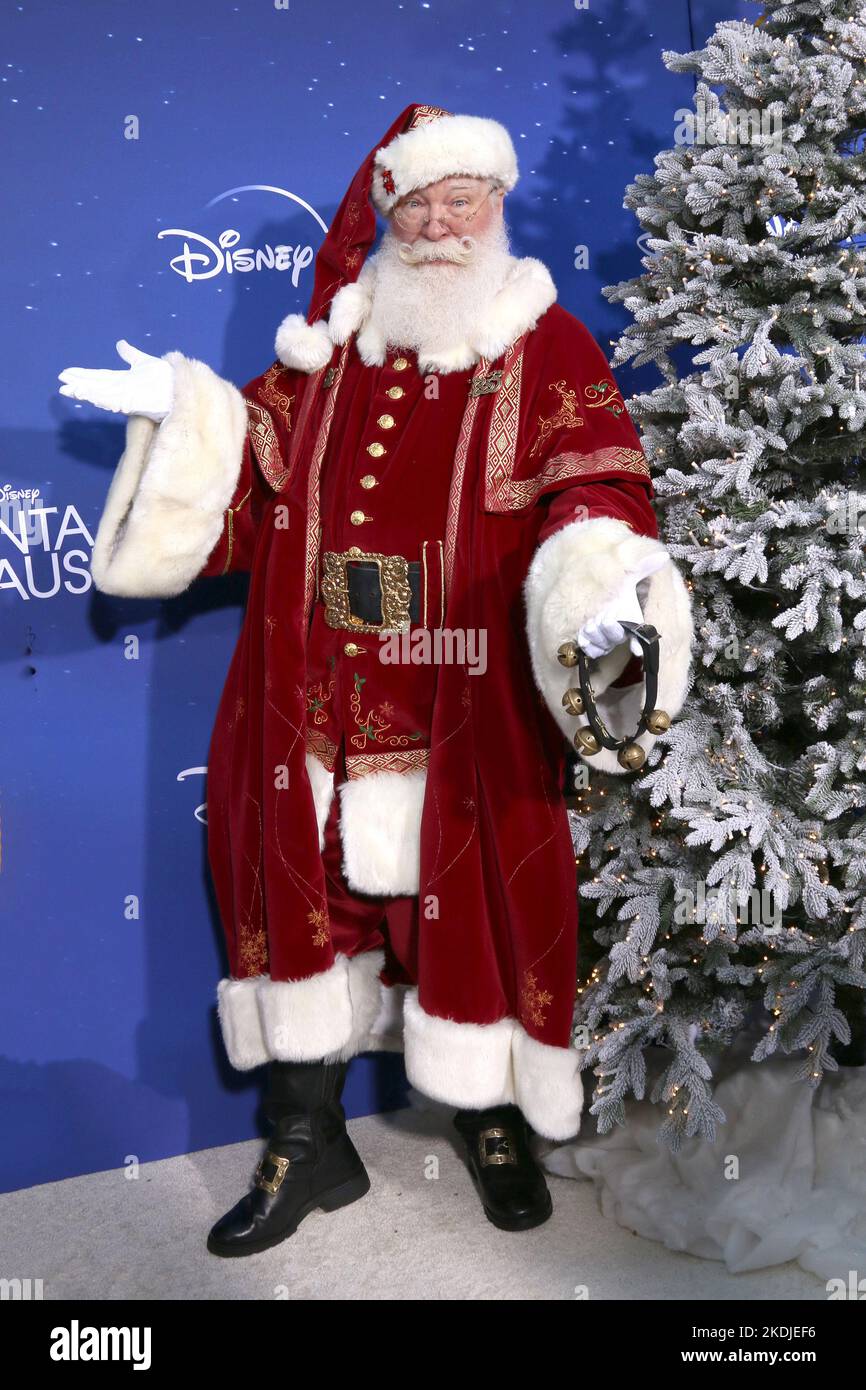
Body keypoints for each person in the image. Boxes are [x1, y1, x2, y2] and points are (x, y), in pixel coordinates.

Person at [59, 102, 694, 1255]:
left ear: (496, 205)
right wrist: (187, 418)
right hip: (316, 689)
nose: (444, 223)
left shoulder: (545, 341)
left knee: (473, 911)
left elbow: (599, 484)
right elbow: (252, 474)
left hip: (462, 689)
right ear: (387, 211)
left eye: (466, 199)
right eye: (420, 201)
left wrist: (598, 573)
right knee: (299, 909)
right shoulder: (330, 351)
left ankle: (492, 1119)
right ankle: (306, 1142)